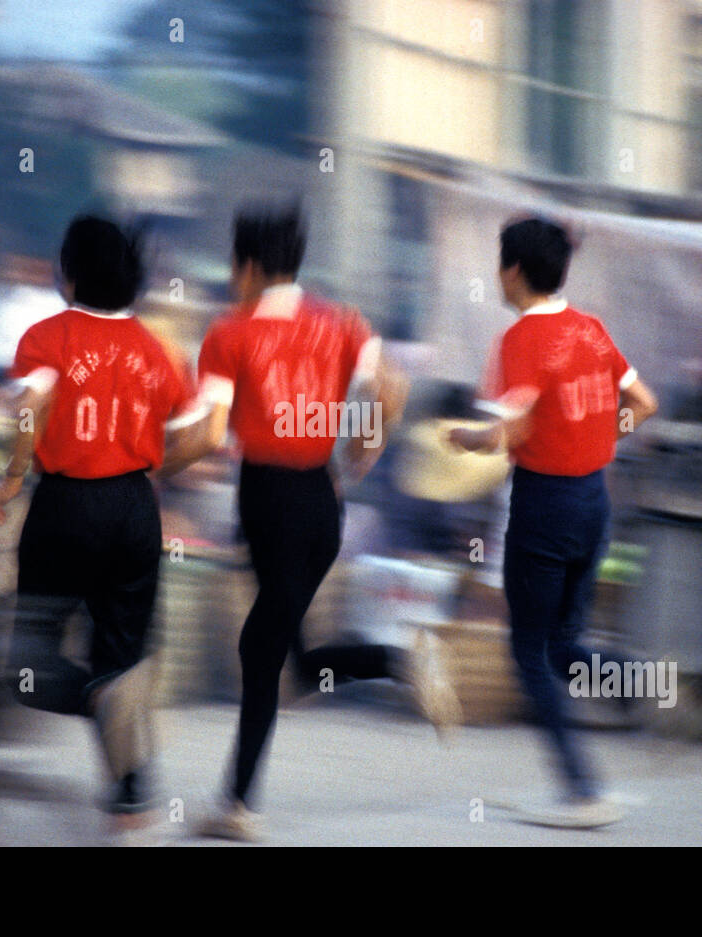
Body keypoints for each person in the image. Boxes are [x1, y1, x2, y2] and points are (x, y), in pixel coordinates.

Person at [193, 205, 455, 841]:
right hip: (319, 500)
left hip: (270, 504)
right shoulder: (340, 321)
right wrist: (363, 449)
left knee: (260, 649)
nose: (231, 276)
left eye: (233, 265)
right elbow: (392, 387)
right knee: (300, 662)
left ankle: (238, 805)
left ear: (248, 266)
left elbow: (207, 432)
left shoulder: (229, 332)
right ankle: (402, 661)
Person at [0, 215, 213, 827]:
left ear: (68, 275)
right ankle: (132, 802)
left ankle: (97, 699)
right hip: (135, 511)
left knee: (29, 670)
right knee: (123, 658)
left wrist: (13, 474)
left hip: (65, 508)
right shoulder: (158, 351)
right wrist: (151, 469)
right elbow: (200, 436)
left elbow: (32, 406)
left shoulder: (46, 337)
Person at [449, 216, 657, 828]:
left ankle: (583, 791)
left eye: (499, 265)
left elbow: (509, 432)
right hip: (594, 502)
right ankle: (646, 683)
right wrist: (598, 437)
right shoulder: (591, 329)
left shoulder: (519, 340)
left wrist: (466, 438)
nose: (497, 276)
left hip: (543, 507)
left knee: (530, 653)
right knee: (564, 646)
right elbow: (643, 403)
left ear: (513, 271)